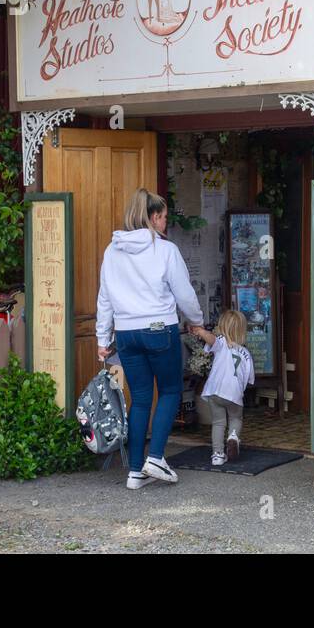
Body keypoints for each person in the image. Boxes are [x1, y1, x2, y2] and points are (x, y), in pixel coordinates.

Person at [96, 188, 204, 490]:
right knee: (170, 391)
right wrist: (196, 320)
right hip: (159, 329)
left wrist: (102, 339)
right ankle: (155, 457)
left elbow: (104, 298)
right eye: (164, 218)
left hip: (127, 334)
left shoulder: (112, 250)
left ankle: (134, 471)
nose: (165, 224)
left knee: (141, 399)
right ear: (154, 217)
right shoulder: (165, 250)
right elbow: (184, 292)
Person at [189, 309, 255, 466]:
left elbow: (210, 339)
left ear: (222, 327)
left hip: (215, 391)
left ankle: (217, 455)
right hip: (234, 393)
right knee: (235, 418)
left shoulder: (221, 343)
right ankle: (233, 437)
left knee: (218, 422)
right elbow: (249, 379)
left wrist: (200, 330)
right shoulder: (245, 353)